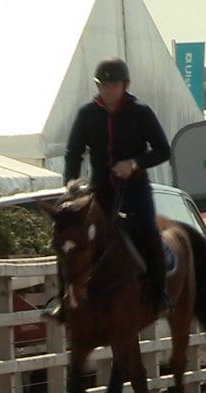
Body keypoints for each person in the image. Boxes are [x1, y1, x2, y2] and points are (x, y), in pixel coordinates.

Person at [42, 58, 172, 323]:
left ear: (125, 85)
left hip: (134, 189)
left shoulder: (141, 112)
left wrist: (134, 164)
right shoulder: (87, 114)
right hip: (100, 191)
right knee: (70, 238)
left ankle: (159, 294)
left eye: (114, 85)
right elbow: (73, 151)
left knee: (148, 231)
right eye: (104, 85)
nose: (109, 90)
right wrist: (70, 184)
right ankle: (64, 302)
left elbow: (162, 149)